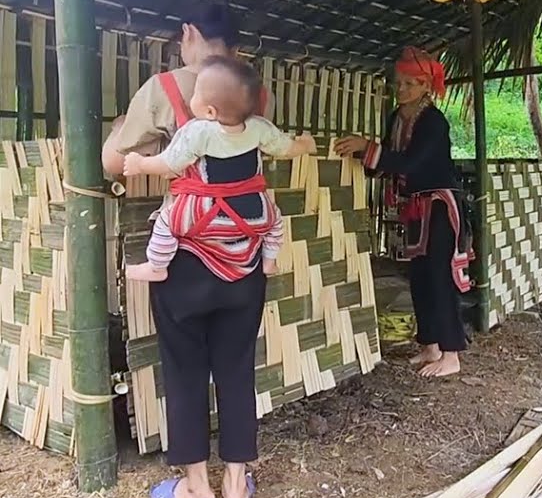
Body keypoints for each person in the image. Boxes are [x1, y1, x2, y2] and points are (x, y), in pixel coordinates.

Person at [102, 3, 275, 498]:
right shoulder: (253, 91)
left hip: (185, 256)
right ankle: (237, 486)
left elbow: (114, 163)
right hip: (244, 255)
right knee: (237, 367)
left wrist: (121, 129)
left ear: (190, 33)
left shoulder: (166, 88)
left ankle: (197, 488)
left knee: (184, 369)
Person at [334, 47, 473, 378]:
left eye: (410, 84)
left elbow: (409, 163)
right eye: (399, 83)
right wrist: (362, 155)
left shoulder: (433, 122)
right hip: (415, 208)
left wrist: (367, 148)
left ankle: (451, 354)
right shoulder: (397, 118)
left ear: (426, 86)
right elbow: (388, 159)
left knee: (439, 276)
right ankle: (430, 346)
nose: (402, 89)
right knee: (420, 276)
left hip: (438, 206)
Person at [122, 56, 316, 282]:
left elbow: (169, 163)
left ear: (210, 112)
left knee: (166, 222)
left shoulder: (199, 132)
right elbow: (287, 148)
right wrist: (305, 145)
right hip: (255, 217)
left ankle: (157, 267)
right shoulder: (260, 128)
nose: (192, 97)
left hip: (204, 216)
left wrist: (139, 164)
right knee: (276, 222)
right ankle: (269, 261)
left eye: (196, 93)